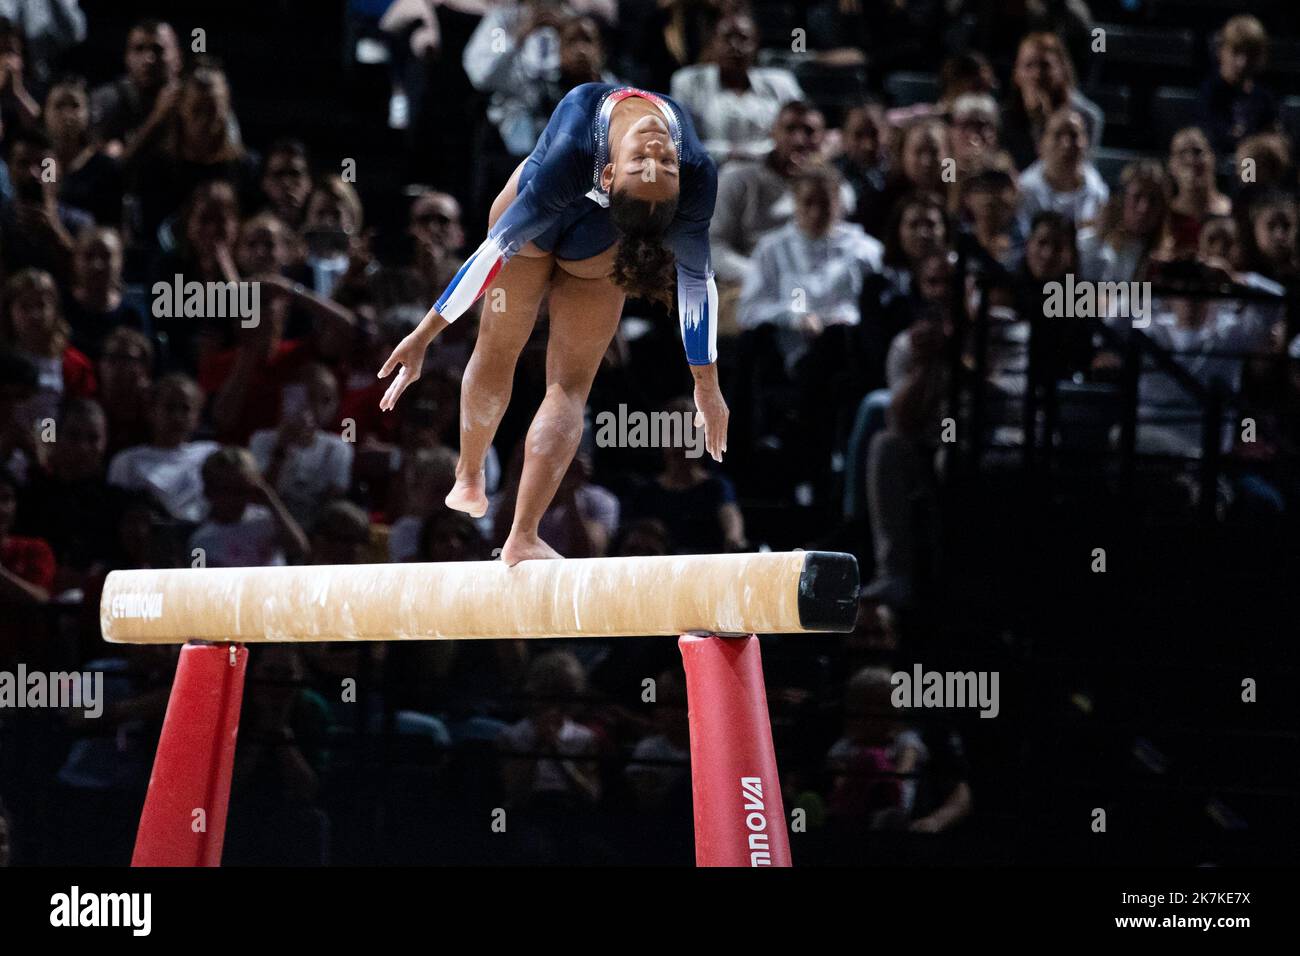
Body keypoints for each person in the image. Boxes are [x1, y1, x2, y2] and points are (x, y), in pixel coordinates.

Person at [378, 82, 727, 565]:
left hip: (575, 235)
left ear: (607, 176)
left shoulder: (582, 146)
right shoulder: (687, 169)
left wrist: (705, 385)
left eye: (662, 165)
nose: (655, 150)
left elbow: (696, 281)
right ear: (605, 176)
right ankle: (472, 473)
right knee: (518, 357)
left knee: (556, 379)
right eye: (659, 163)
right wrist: (425, 334)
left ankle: (520, 531)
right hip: (572, 236)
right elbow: (491, 255)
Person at [669, 10, 803, 165]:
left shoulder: (781, 82)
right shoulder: (688, 81)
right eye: (727, 38)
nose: (735, 46)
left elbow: (802, 132)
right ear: (713, 42)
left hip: (772, 173)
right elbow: (680, 142)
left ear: (756, 43)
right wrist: (735, 154)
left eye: (743, 39)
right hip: (708, 174)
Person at [1000, 32, 1103, 171]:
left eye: (1045, 66)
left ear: (1062, 69)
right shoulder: (1003, 117)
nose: (1037, 74)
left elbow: (1077, 169)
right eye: (1029, 65)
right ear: (1016, 73)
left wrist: (1044, 121)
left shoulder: (1085, 117)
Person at [1015, 106, 1108, 231]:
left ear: (1086, 142)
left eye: (1074, 135)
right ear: (1041, 144)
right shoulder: (1024, 191)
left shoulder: (1098, 192)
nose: (1067, 144)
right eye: (1057, 135)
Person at [1199, 14, 1278, 155]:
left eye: (1251, 54)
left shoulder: (1264, 98)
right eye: (1236, 51)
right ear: (1222, 50)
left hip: (1251, 170)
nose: (1243, 63)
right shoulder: (1209, 92)